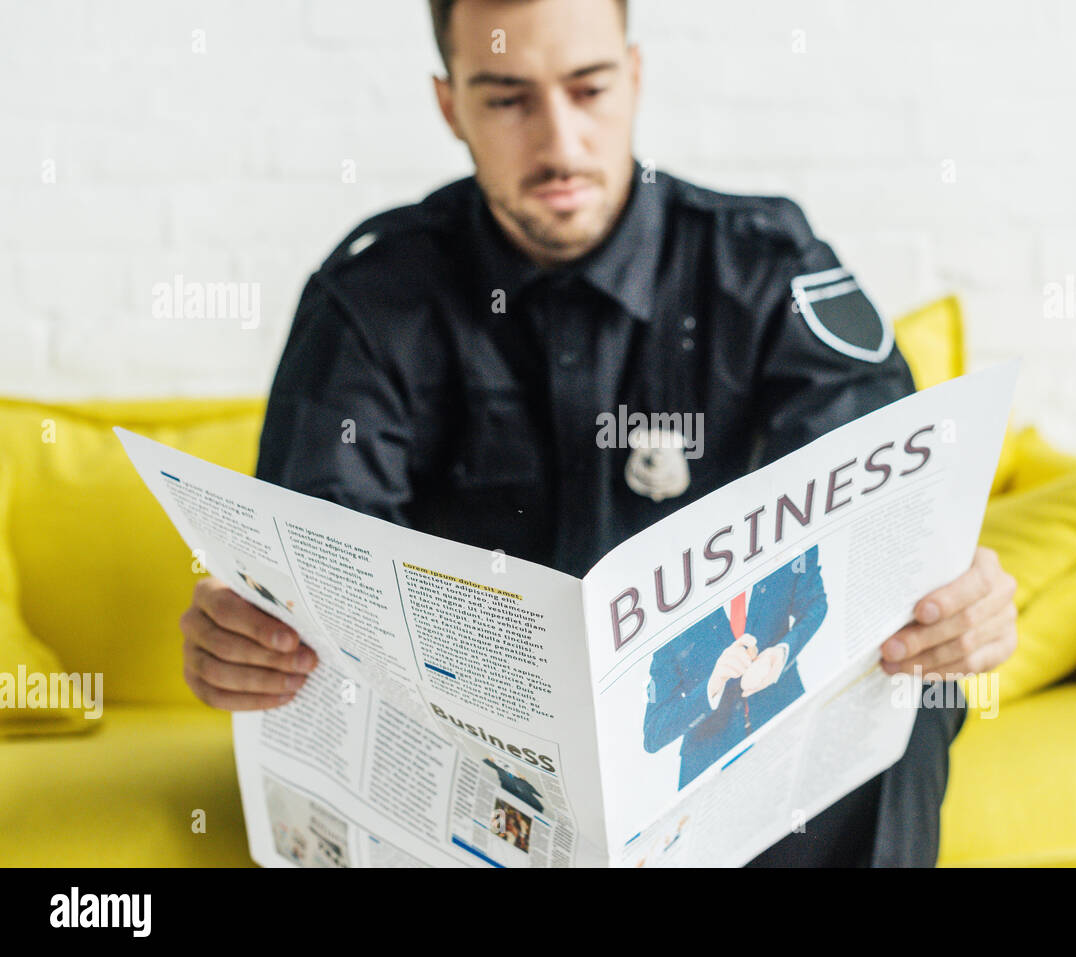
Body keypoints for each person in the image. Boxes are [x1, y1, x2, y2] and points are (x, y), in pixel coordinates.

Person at [178, 0, 1018, 867]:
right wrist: (244, 642)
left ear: (636, 77)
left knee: (910, 681)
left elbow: (892, 522)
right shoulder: (370, 302)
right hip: (482, 773)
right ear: (449, 105)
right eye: (508, 99)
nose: (561, 142)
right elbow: (305, 574)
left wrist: (958, 600)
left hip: (734, 732)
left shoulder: (767, 270)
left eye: (589, 88)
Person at [643, 546, 826, 790]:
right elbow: (654, 733)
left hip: (788, 739)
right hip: (711, 771)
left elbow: (815, 604)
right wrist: (712, 685)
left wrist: (782, 653)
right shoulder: (668, 598)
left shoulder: (787, 541)